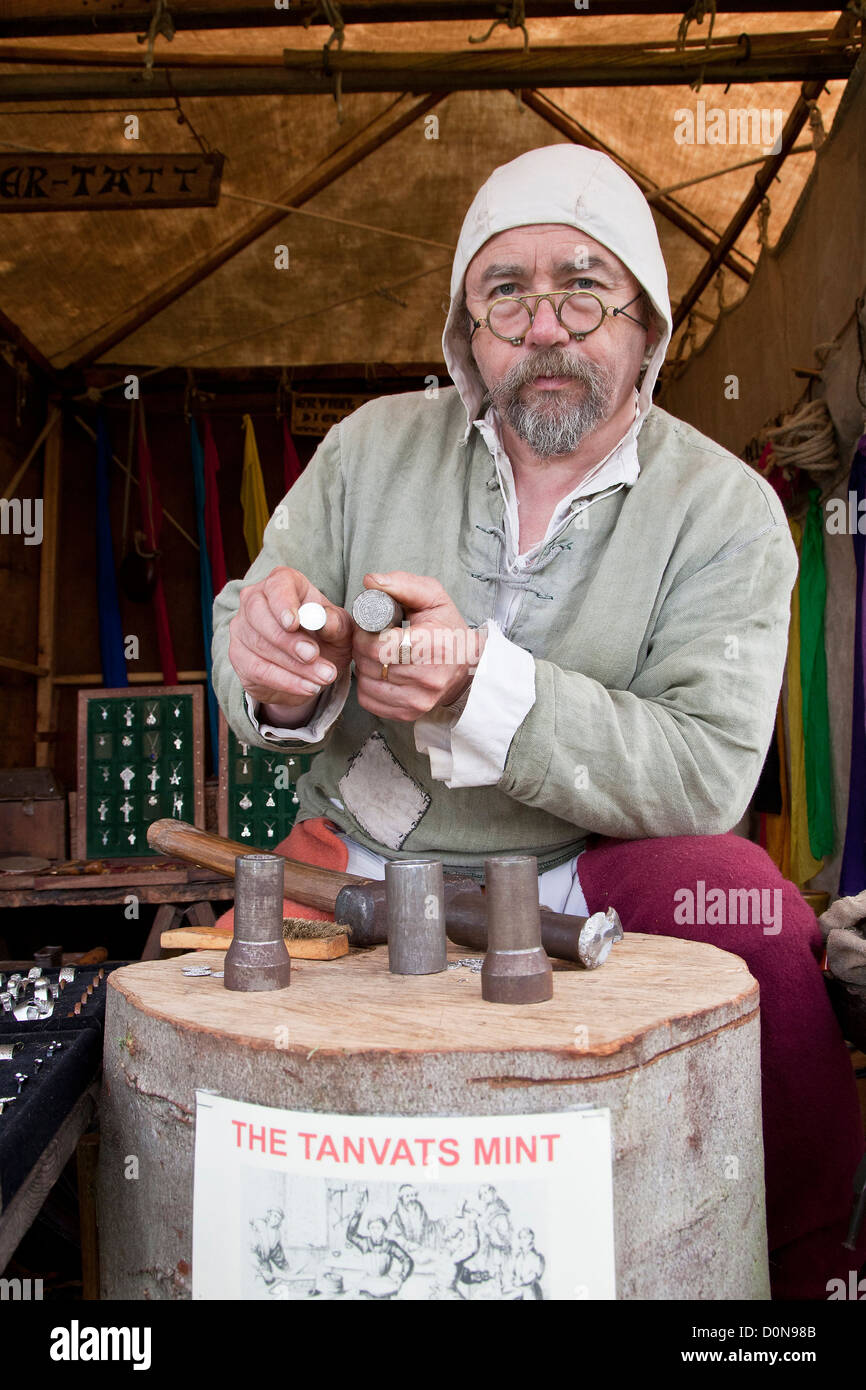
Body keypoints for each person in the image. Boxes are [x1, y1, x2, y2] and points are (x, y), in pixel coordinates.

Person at [212, 144, 866, 1298]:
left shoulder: (726, 512)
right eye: (502, 292)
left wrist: (482, 688)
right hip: (358, 857)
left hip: (576, 871)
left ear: (646, 324)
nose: (545, 325)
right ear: (467, 330)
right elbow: (254, 614)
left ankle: (807, 1277)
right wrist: (271, 667)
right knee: (229, 1052)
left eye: (582, 286)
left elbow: (708, 769)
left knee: (757, 916)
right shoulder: (370, 448)